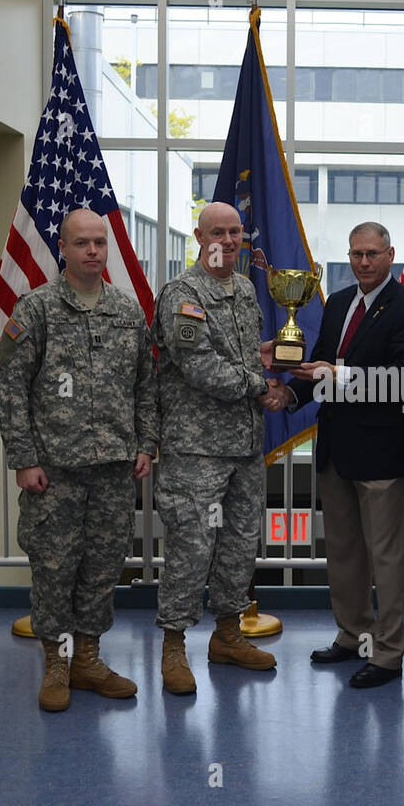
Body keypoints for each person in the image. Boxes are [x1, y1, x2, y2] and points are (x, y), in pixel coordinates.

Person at [0, 207, 157, 713]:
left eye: (100, 242)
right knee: (54, 568)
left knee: (102, 569)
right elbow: (11, 389)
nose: (93, 251)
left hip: (112, 470)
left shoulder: (128, 312)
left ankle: (88, 658)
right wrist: (23, 458)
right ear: (62, 248)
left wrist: (146, 444)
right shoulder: (36, 309)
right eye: (82, 242)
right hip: (54, 473)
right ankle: (57, 664)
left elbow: (146, 388)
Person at [267, 222, 404, 687]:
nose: (363, 262)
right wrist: (292, 397)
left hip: (383, 453)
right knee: (342, 554)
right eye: (356, 253)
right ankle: (352, 634)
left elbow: (400, 380)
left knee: (385, 558)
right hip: (336, 450)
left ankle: (387, 652)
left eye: (372, 254)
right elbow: (316, 364)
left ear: (390, 255)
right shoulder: (337, 302)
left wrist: (336, 374)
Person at [152, 201, 286, 696]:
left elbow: (239, 354)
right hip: (196, 452)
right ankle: (173, 647)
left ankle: (227, 637)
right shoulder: (183, 295)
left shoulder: (246, 288)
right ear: (199, 235)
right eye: (218, 232)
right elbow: (200, 367)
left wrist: (267, 357)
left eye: (235, 233)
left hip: (245, 447)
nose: (228, 241)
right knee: (191, 550)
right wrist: (260, 384)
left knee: (237, 547)